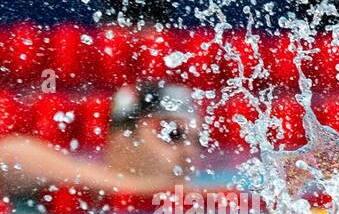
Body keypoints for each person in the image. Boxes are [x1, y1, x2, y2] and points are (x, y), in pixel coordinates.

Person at [0, 80, 199, 200]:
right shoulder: (75, 178)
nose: (189, 152)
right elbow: (11, 155)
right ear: (123, 137)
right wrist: (140, 190)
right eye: (174, 135)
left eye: (197, 140)